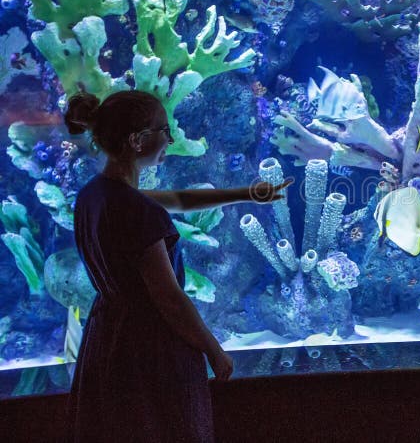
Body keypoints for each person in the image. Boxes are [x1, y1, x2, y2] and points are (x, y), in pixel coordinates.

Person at [63, 90, 292, 442]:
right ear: (138, 140)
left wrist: (248, 193)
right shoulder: (138, 211)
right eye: (163, 130)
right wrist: (214, 351)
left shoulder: (93, 196)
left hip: (107, 337)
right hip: (148, 350)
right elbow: (168, 297)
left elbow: (179, 200)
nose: (170, 138)